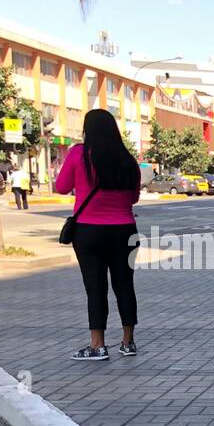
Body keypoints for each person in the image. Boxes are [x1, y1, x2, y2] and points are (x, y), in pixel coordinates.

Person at [54, 109, 142, 361]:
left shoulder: (79, 154)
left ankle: (98, 346)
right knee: (125, 286)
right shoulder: (128, 160)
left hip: (88, 232)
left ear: (87, 129)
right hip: (125, 231)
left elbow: (61, 187)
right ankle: (128, 342)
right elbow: (134, 197)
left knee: (95, 288)